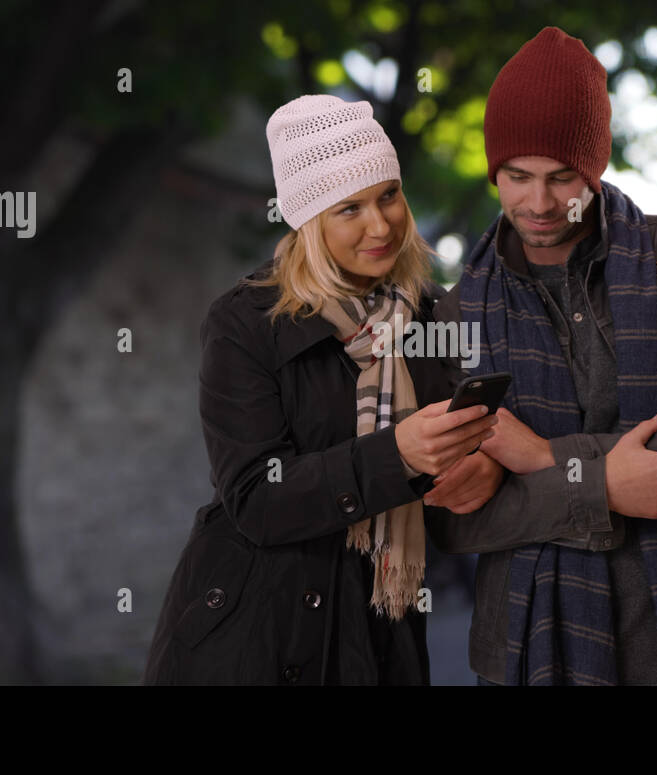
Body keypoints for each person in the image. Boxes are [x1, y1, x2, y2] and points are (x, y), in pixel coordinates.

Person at [428, 27, 657, 686]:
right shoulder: (458, 313)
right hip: (519, 646)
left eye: (561, 177)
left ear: (595, 168)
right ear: (494, 170)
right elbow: (460, 522)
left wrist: (548, 462)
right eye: (516, 177)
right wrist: (606, 482)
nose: (539, 203)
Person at [144, 94, 503, 685]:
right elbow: (256, 498)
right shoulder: (246, 321)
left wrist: (481, 467)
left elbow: (445, 482)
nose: (381, 224)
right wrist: (399, 454)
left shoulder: (434, 316)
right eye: (349, 208)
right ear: (309, 221)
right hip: (255, 634)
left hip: (383, 633)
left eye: (389, 195)